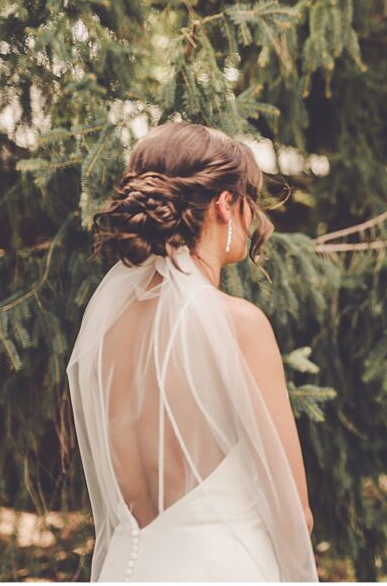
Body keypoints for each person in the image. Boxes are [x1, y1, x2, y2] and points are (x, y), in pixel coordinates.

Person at [67, 122, 317, 583]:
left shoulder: (104, 333)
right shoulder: (239, 324)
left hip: (128, 568)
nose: (255, 219)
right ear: (226, 204)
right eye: (250, 202)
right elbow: (294, 514)